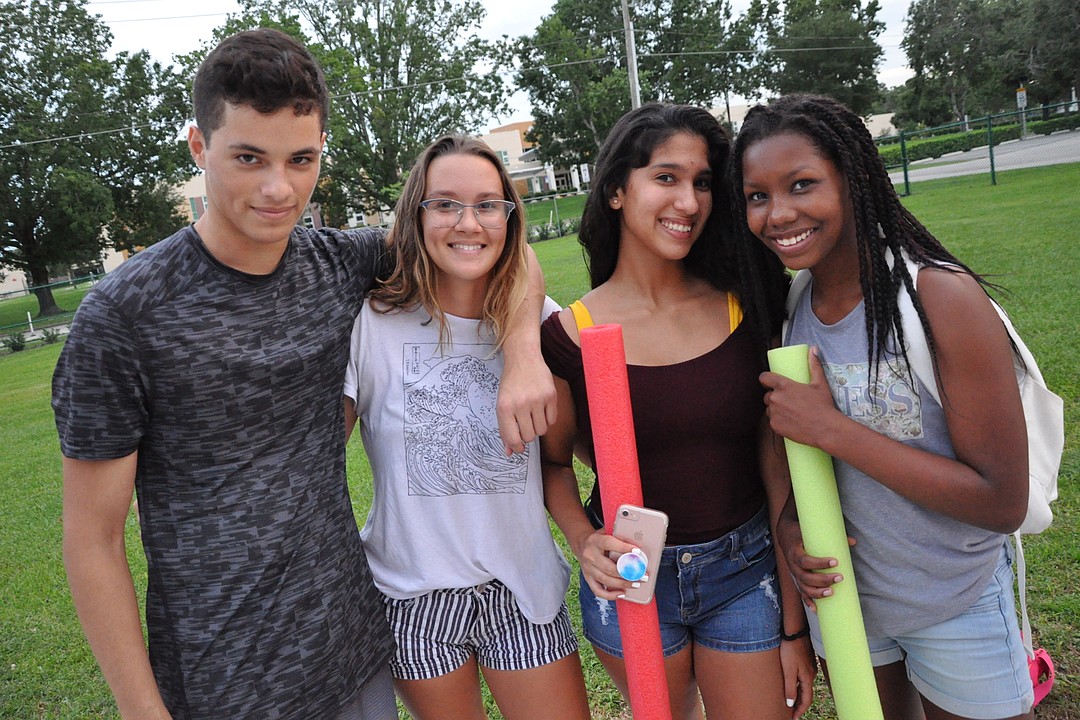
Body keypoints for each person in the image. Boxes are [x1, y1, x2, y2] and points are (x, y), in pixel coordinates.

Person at [52, 29, 555, 720]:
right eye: (248, 157)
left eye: (301, 159)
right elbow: (92, 543)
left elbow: (494, 242)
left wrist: (524, 353)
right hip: (223, 682)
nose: (278, 187)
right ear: (199, 148)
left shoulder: (338, 265)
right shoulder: (123, 315)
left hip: (353, 652)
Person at [733, 93, 1034, 720]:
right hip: (849, 608)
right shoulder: (795, 306)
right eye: (758, 195)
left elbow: (1001, 500)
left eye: (802, 184)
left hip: (955, 602)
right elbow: (807, 468)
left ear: (855, 179)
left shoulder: (939, 297)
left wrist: (833, 430)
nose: (778, 213)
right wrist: (790, 528)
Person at [539, 103, 815, 719]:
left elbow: (776, 463)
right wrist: (584, 541)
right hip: (633, 578)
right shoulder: (568, 336)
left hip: (744, 572)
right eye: (666, 177)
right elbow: (553, 465)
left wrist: (793, 627)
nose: (689, 202)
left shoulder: (746, 306)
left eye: (703, 182)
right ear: (616, 190)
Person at [340, 134, 592, 720]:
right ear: (416, 213)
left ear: (509, 216)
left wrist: (586, 540)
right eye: (445, 204)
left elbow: (561, 459)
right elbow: (317, 457)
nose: (468, 223)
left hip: (521, 593)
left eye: (486, 205)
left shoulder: (545, 323)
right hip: (414, 597)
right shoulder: (372, 322)